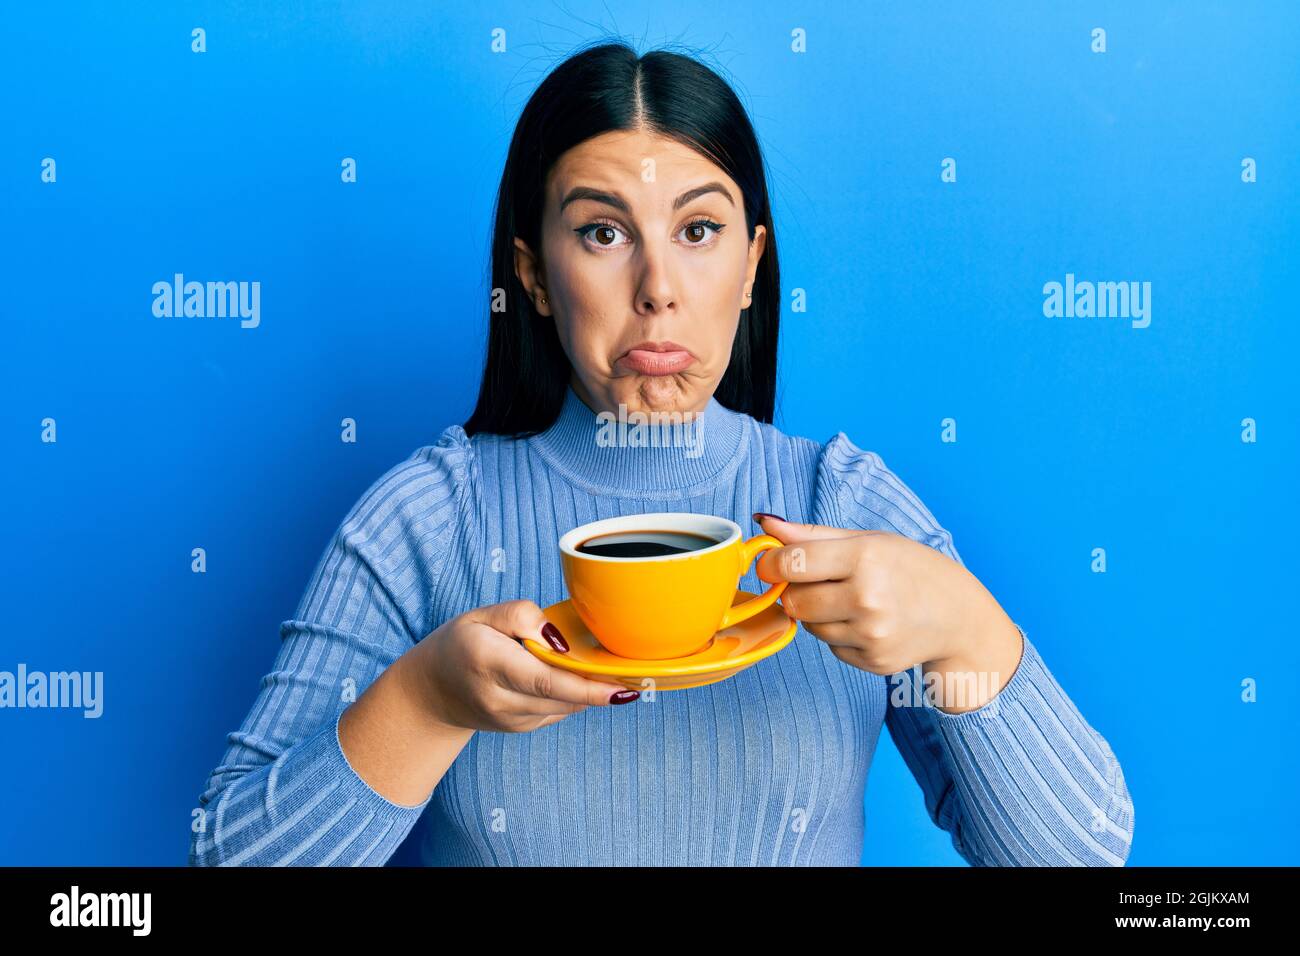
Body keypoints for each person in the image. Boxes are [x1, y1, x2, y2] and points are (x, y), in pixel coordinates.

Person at [189, 40, 1133, 867]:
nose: (658, 289)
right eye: (603, 233)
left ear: (752, 267)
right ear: (535, 278)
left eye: (698, 231)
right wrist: (427, 701)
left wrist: (971, 631)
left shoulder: (842, 502)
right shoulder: (427, 522)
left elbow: (1086, 858)